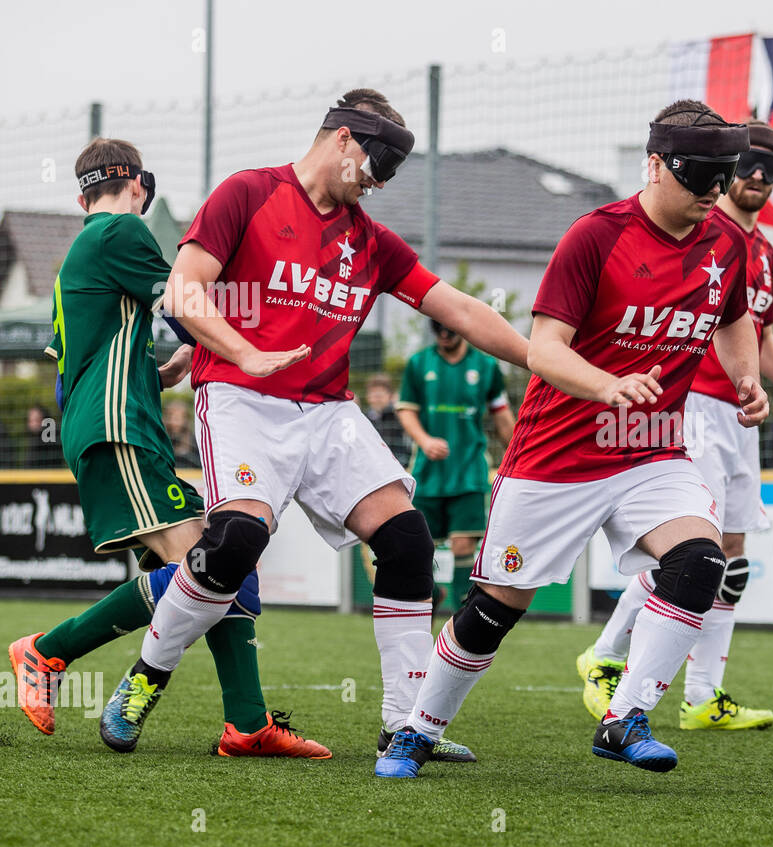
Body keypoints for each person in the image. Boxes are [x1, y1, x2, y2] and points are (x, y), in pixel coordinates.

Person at [98, 89, 530, 763]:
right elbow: (184, 290)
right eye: (374, 169)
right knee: (235, 542)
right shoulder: (246, 194)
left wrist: (548, 362)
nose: (378, 185)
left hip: (329, 412)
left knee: (409, 541)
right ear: (343, 140)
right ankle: (143, 679)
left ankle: (404, 722)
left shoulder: (373, 242)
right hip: (241, 397)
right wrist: (242, 350)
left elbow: (463, 310)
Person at [376, 99, 768, 778]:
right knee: (496, 607)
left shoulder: (727, 244)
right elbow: (543, 350)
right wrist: (605, 385)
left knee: (700, 563)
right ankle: (416, 729)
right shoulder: (594, 236)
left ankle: (625, 717)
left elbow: (734, 317)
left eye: (721, 175)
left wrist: (746, 378)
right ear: (654, 164)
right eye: (697, 174)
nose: (712, 191)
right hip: (555, 457)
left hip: (651, 451)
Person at [10, 136, 328, 758]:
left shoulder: (83, 249)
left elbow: (72, 362)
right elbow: (187, 300)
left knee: (226, 565)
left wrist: (159, 373)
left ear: (81, 196)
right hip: (118, 427)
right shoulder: (121, 233)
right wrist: (249, 340)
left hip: (114, 421)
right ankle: (48, 651)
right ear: (139, 186)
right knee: (208, 564)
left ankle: (248, 722)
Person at [577, 119, 773, 732]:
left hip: (738, 417)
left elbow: (756, 331)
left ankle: (703, 697)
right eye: (749, 164)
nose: (759, 176)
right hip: (692, 411)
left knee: (731, 558)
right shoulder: (699, 237)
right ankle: (605, 656)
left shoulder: (758, 251)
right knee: (692, 551)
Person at [397, 318, 514, 611]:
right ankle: (432, 594)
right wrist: (424, 440)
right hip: (428, 473)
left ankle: (463, 609)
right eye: (438, 331)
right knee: (422, 547)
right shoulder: (418, 364)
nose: (444, 336)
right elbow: (406, 411)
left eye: (449, 331)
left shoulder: (486, 367)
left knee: (464, 544)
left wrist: (518, 455)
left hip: (470, 471)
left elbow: (502, 416)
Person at [364, 373, 410, 460]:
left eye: (381, 393)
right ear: (368, 397)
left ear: (390, 396)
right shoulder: (363, 419)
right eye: (373, 393)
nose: (377, 397)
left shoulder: (398, 415)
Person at [163, 399, 203, 470]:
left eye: (177, 418)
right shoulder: (162, 440)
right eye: (170, 417)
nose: (173, 422)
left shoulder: (196, 441)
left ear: (186, 419)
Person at [24, 405, 66, 469]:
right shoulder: (32, 440)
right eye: (31, 421)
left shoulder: (50, 440)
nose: (33, 424)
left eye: (36, 420)